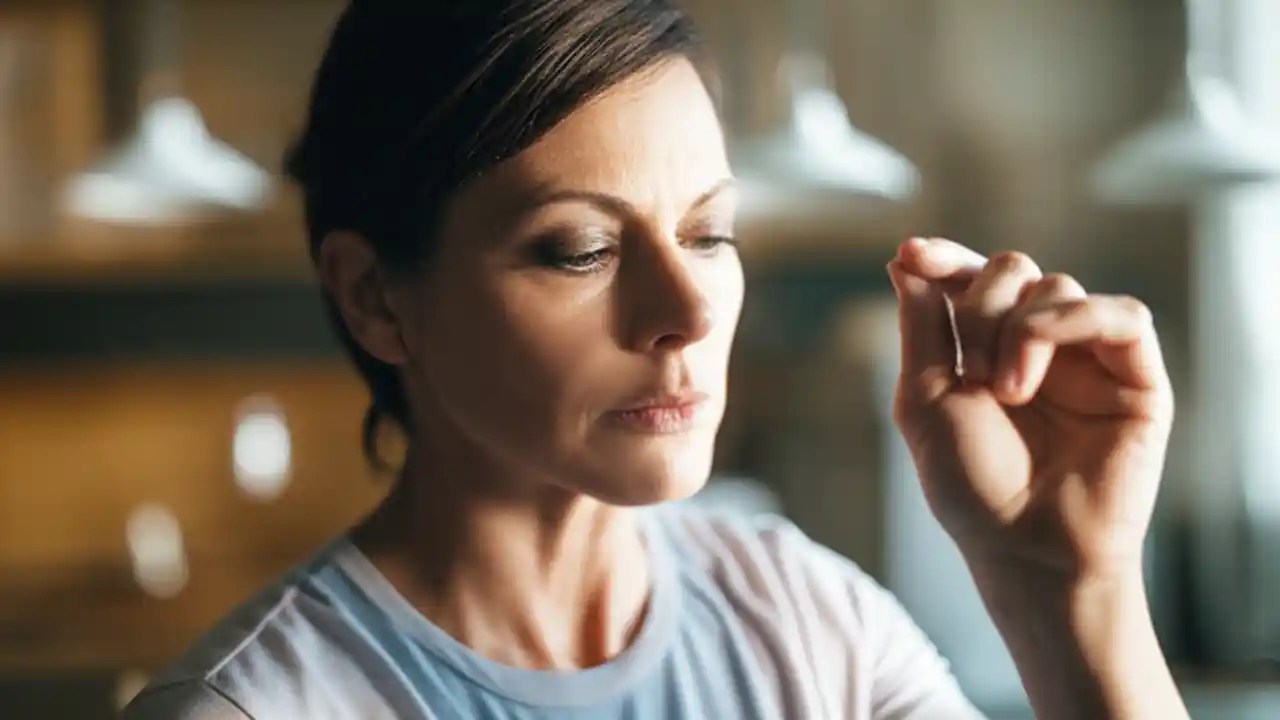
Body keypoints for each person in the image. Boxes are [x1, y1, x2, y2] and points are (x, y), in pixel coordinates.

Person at [123, 1, 1189, 718]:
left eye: (709, 232)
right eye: (578, 249)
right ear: (375, 296)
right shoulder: (261, 703)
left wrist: (1068, 590)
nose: (683, 308)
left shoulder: (808, 630)